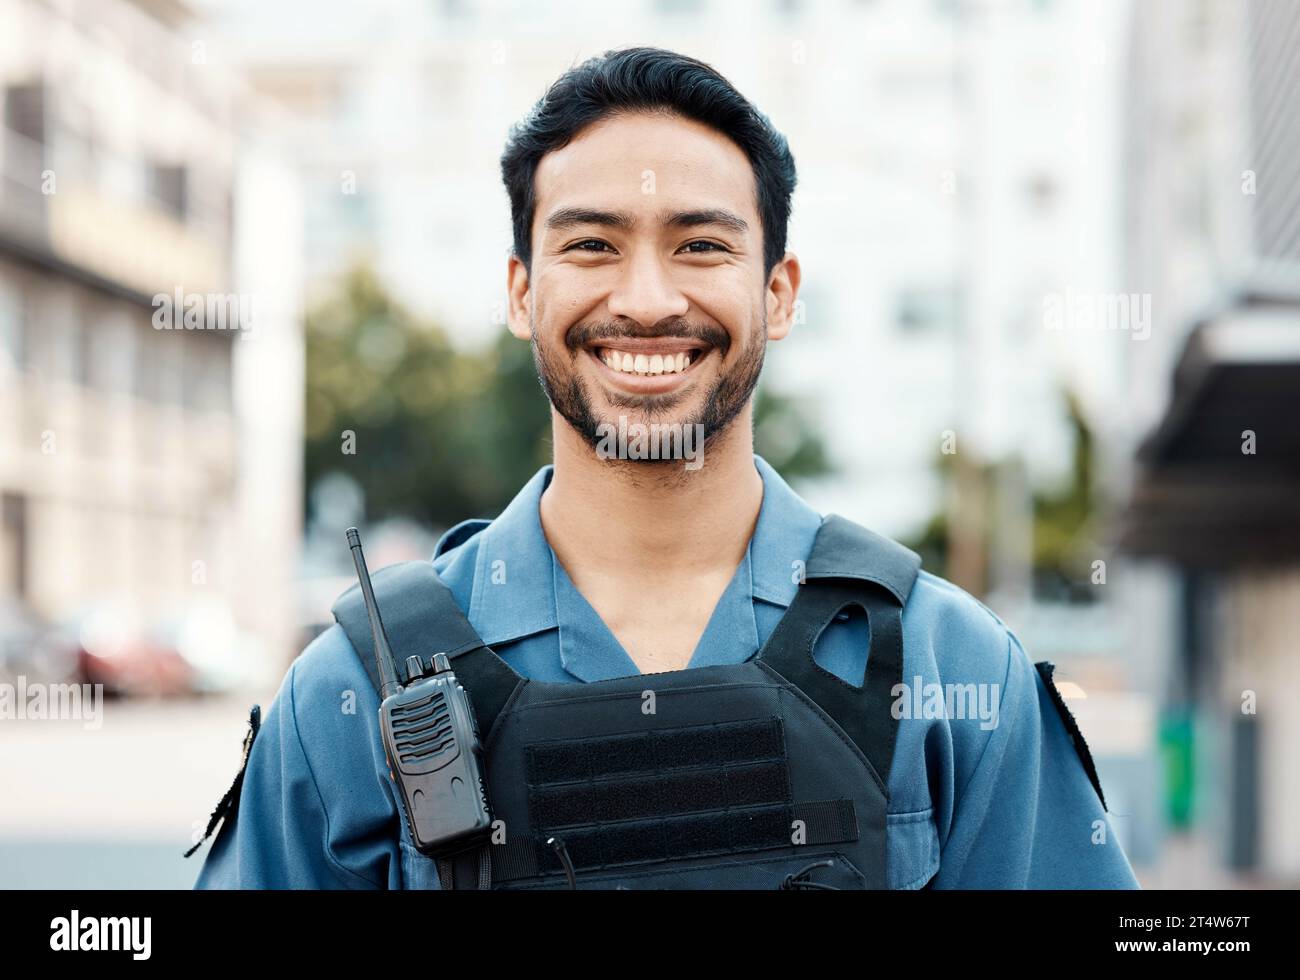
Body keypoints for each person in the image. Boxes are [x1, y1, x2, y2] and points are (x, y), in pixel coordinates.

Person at [193, 46, 1139, 890]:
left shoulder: (949, 667)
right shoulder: (352, 695)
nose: (647, 300)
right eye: (592, 244)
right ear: (522, 290)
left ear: (779, 293)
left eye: (701, 245)